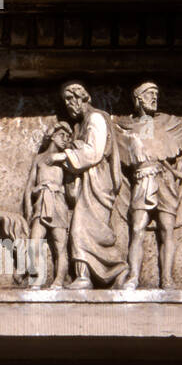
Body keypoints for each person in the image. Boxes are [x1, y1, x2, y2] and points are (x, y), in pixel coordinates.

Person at [113, 82, 182, 289]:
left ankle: (167, 278)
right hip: (143, 178)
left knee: (167, 229)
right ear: (137, 99)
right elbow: (123, 142)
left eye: (156, 94)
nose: (154, 98)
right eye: (149, 94)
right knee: (137, 229)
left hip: (165, 180)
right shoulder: (124, 125)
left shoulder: (168, 122)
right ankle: (134, 277)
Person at [52, 82, 127, 289]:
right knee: (85, 228)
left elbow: (94, 153)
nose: (68, 104)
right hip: (88, 182)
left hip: (98, 181)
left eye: (70, 98)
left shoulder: (95, 118)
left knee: (83, 229)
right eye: (65, 100)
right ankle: (114, 271)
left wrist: (60, 156)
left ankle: (95, 274)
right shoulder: (80, 125)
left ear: (82, 97)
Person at [22, 122, 74, 288]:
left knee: (60, 245)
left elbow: (72, 185)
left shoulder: (65, 160)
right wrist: (28, 208)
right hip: (41, 201)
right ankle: (36, 277)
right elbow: (29, 185)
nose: (65, 139)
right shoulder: (39, 158)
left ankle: (59, 280)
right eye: (62, 135)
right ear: (52, 136)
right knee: (34, 242)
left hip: (58, 202)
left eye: (68, 137)